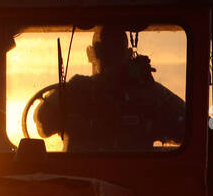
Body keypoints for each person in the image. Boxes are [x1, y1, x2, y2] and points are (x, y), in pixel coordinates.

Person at [34, 25, 185, 151]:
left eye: (113, 51)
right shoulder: (151, 93)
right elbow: (187, 127)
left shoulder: (75, 91)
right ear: (128, 54)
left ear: (91, 53)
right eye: (107, 51)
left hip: (79, 175)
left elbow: (43, 124)